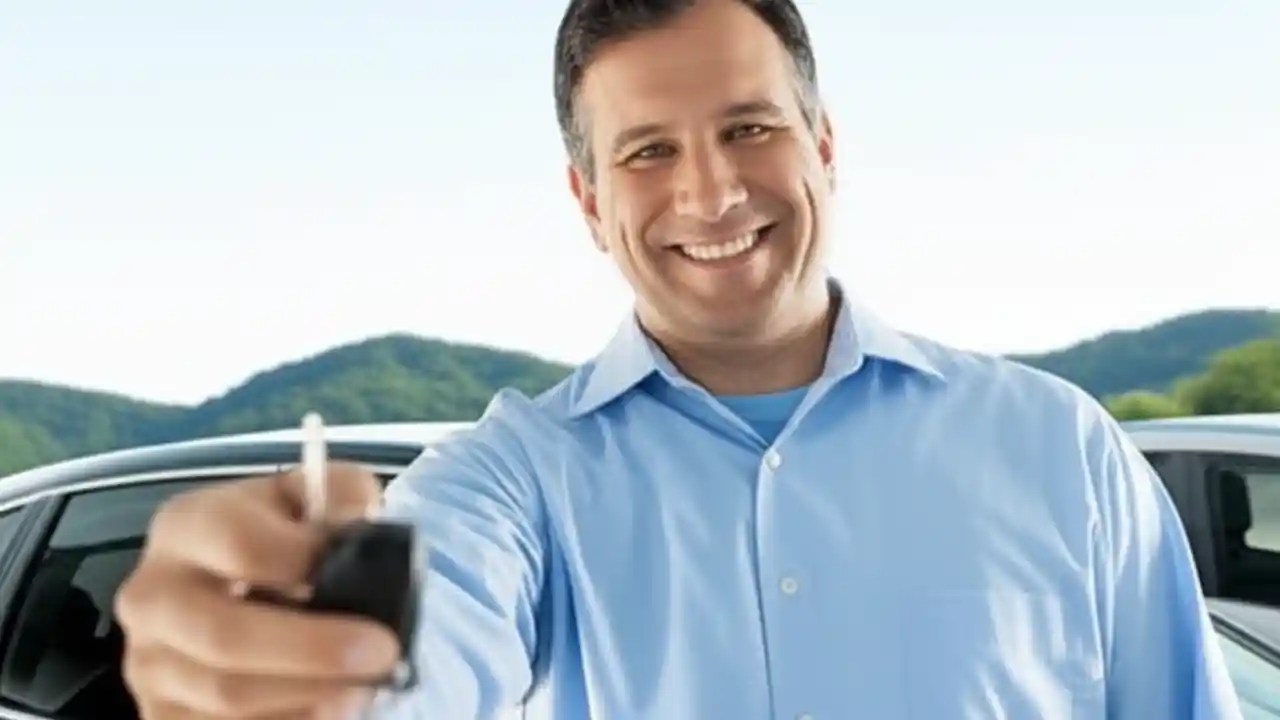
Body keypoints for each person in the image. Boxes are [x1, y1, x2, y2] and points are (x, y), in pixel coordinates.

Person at [115, 0, 1244, 718]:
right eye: (649, 151)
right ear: (588, 202)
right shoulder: (512, 481)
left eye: (749, 128)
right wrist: (289, 672)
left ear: (824, 145)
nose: (710, 192)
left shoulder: (1058, 444)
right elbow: (420, 652)